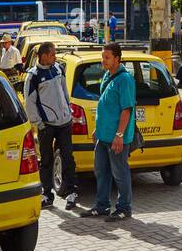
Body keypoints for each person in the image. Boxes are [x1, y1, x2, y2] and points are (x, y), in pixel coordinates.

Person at [81, 42, 135, 222]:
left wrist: (119, 135)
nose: (103, 60)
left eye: (107, 57)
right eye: (102, 57)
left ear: (117, 59)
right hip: (103, 136)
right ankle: (102, 206)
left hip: (116, 138)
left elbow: (126, 110)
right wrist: (98, 128)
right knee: (101, 171)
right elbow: (106, 105)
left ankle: (124, 208)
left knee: (120, 172)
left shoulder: (125, 80)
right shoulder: (107, 76)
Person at [23, 40, 78, 210]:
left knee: (68, 158)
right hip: (46, 126)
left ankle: (71, 193)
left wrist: (68, 112)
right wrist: (39, 124)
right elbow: (30, 103)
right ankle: (47, 194)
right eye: (53, 54)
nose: (55, 57)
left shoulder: (58, 69)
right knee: (46, 160)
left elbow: (64, 92)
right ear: (44, 56)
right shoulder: (33, 76)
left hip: (64, 123)